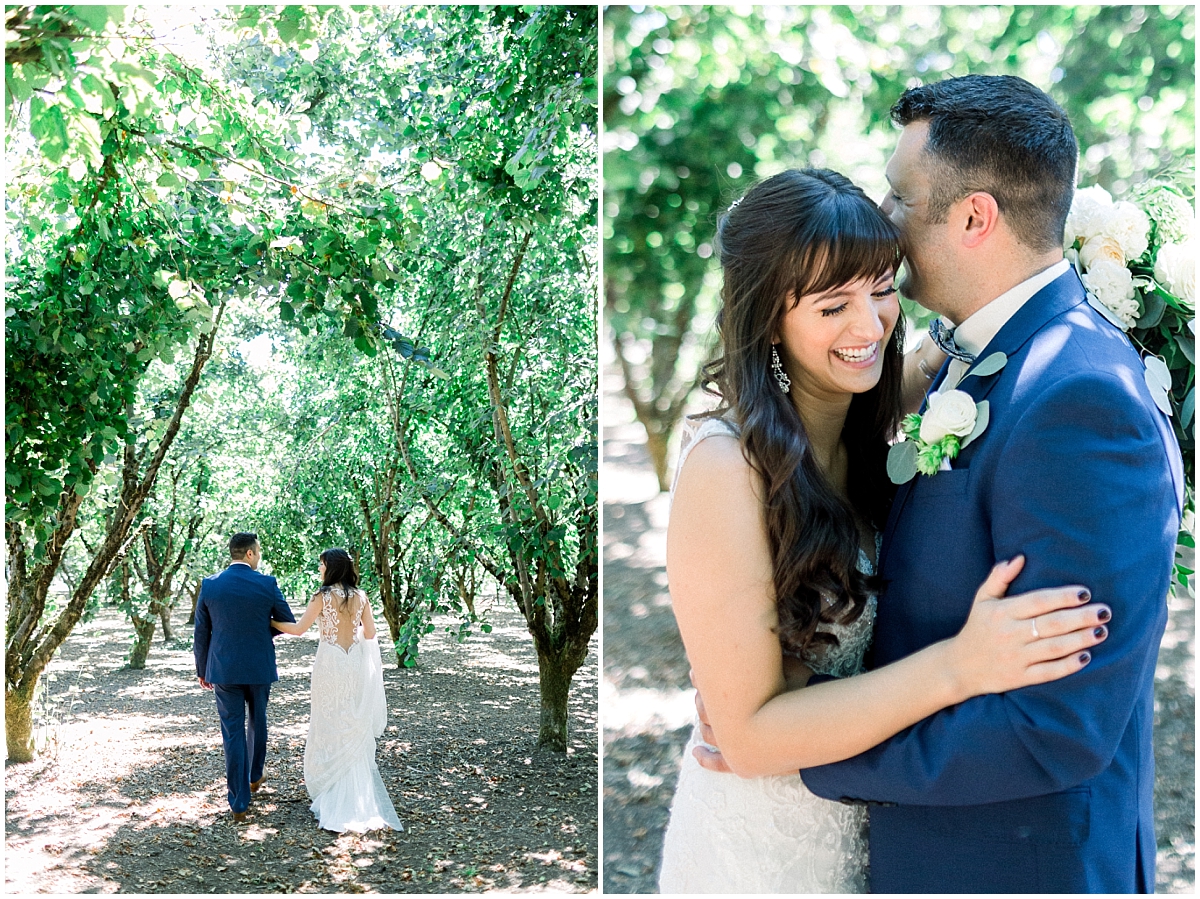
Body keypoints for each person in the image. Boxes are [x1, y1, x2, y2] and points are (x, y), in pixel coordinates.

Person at [698, 76, 1185, 893]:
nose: (883, 217)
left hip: (1011, 864)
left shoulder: (1077, 396)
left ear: (973, 216)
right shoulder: (954, 359)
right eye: (830, 303)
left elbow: (1055, 725)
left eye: (899, 195)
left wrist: (804, 754)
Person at [271, 547, 402, 833]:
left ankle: (333, 796)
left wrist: (269, 622)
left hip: (329, 661)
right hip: (353, 662)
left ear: (330, 567)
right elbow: (370, 634)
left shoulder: (322, 596)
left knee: (329, 720)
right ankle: (357, 798)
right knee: (350, 720)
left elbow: (298, 629)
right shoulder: (362, 597)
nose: (319, 570)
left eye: (321, 565)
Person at [194, 532, 297, 823]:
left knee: (232, 731)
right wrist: (261, 630)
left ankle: (239, 802)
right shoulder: (266, 583)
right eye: (259, 550)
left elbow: (201, 631)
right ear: (250, 554)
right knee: (258, 719)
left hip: (223, 667)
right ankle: (254, 775)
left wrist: (202, 669)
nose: (260, 555)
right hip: (258, 665)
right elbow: (286, 620)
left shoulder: (210, 585)